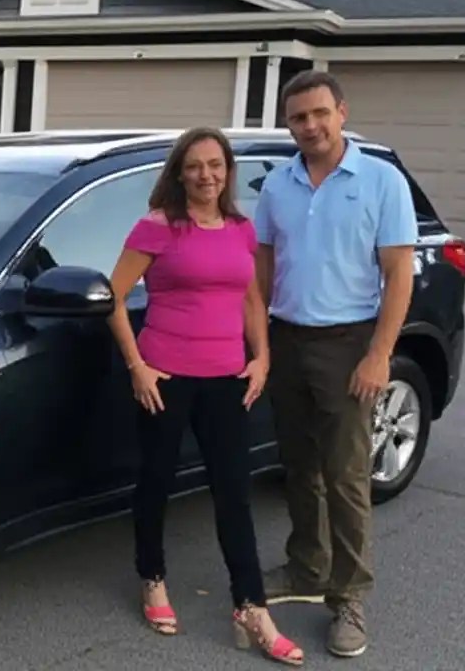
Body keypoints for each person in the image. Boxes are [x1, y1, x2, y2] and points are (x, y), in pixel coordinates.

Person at [107, 127, 303, 666]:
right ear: (179, 172)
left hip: (226, 380)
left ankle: (251, 606)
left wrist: (261, 356)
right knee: (156, 482)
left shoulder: (241, 229)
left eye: (215, 165)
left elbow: (250, 298)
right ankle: (152, 578)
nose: (206, 175)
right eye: (195, 166)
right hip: (165, 377)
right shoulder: (156, 228)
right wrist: (137, 367)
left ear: (227, 171)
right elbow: (114, 297)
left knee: (233, 493)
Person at [254, 70, 417, 659]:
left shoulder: (380, 181)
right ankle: (306, 568)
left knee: (347, 476)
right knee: (299, 466)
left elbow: (399, 275)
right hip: (289, 339)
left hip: (351, 343)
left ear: (342, 112)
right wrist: (262, 343)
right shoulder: (278, 186)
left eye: (320, 113)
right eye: (298, 118)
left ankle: (348, 596)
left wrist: (379, 355)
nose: (310, 126)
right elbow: (264, 270)